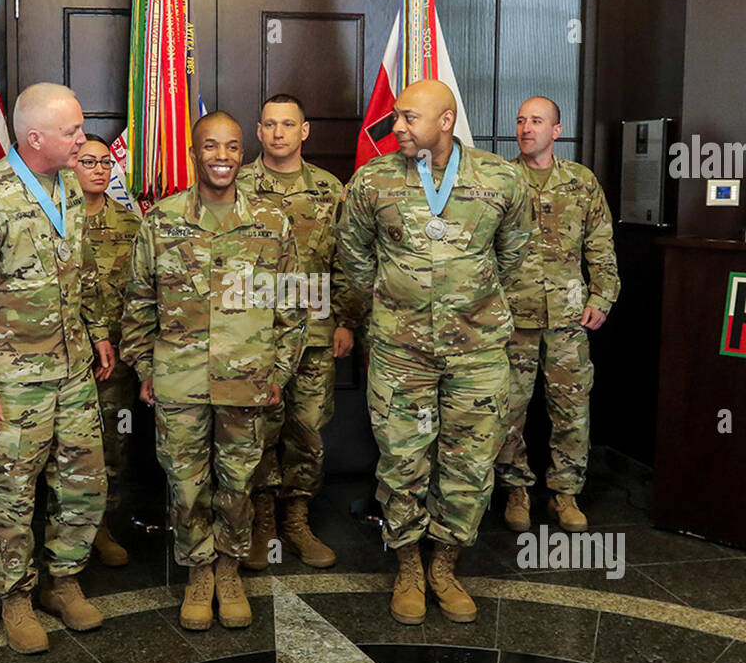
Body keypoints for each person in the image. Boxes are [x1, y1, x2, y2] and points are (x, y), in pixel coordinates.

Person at [338, 79, 530, 625]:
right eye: (396, 117)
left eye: (409, 118)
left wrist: (466, 297)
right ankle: (408, 568)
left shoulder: (500, 179)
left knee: (468, 464)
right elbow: (353, 258)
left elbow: (513, 253)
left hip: (477, 354)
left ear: (445, 121)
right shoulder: (372, 181)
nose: (396, 127)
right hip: (402, 353)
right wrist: (396, 302)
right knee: (402, 463)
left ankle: (444, 567)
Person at [0, 83, 115, 654]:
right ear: (34, 138)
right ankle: (15, 597)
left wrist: (98, 333)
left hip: (73, 372)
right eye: (72, 132)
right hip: (10, 384)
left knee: (84, 485)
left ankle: (64, 581)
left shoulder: (66, 187)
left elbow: (78, 274)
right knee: (10, 496)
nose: (83, 139)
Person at [121, 112, 304, 631]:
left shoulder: (272, 223)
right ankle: (199, 571)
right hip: (179, 379)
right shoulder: (162, 220)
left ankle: (230, 568)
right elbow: (138, 301)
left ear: (241, 152)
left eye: (231, 146)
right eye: (210, 147)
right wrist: (143, 366)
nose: (221, 156)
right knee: (185, 484)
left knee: (240, 481)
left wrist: (280, 374)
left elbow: (294, 307)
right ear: (194, 153)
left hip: (248, 382)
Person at [235, 93, 356, 571]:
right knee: (259, 425)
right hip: (256, 325)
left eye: (288, 124)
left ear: (305, 131)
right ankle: (262, 519)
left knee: (307, 427)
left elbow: (346, 260)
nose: (278, 132)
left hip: (315, 325)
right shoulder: (237, 184)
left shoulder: (330, 189)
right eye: (269, 124)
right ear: (259, 131)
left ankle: (297, 518)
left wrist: (346, 320)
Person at [495, 96, 620, 534]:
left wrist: (602, 298)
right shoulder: (501, 179)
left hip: (568, 318)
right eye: (521, 120)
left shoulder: (581, 182)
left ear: (557, 129)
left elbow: (600, 246)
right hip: (512, 316)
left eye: (537, 120)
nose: (526, 127)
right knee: (509, 409)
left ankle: (565, 493)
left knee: (571, 407)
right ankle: (515, 489)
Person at [67, 134, 141, 566]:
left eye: (105, 162)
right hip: (63, 356)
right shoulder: (56, 218)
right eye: (88, 161)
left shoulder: (132, 225)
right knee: (64, 448)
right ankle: (63, 531)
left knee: (111, 444)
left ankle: (100, 526)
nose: (98, 168)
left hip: (115, 358)